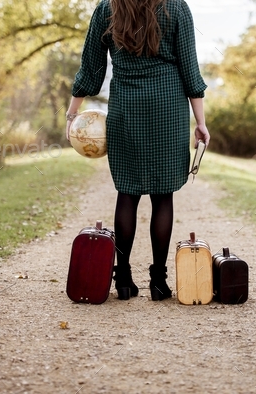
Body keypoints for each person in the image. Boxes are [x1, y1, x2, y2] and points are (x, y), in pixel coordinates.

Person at [66, 0, 210, 301]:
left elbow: (91, 70)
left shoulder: (107, 8)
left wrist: (72, 115)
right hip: (168, 108)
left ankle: (123, 279)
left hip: (126, 109)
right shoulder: (176, 7)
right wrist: (201, 122)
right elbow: (190, 70)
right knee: (163, 196)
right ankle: (158, 282)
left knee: (127, 193)